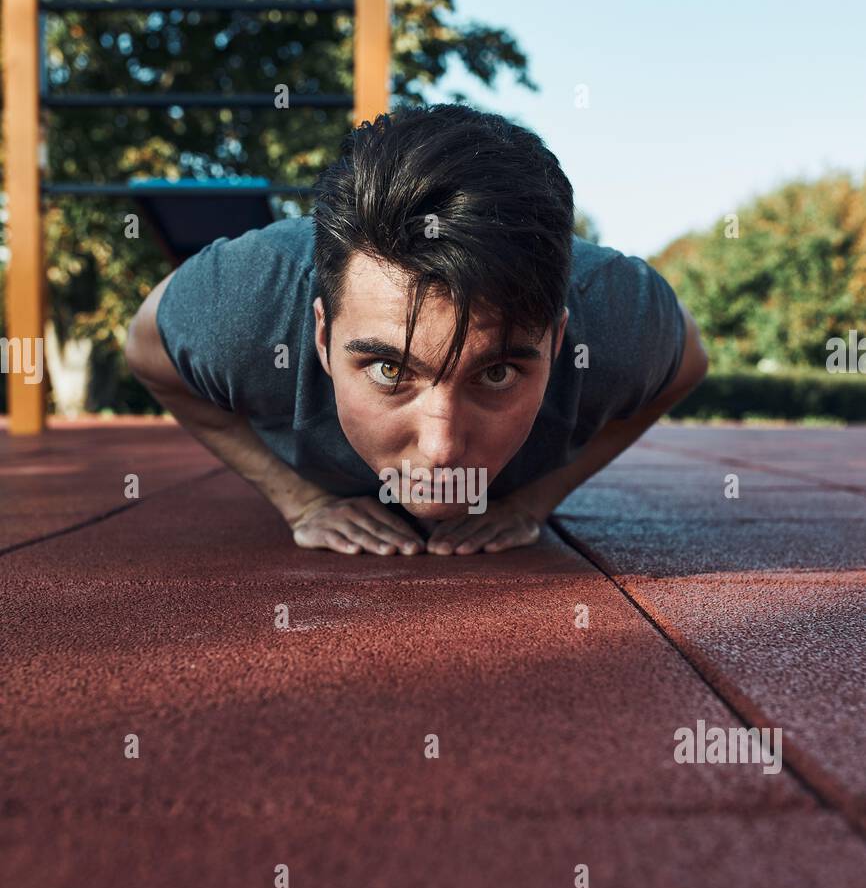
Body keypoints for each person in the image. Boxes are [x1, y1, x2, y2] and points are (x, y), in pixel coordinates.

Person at [125, 104, 708, 556]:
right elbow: (144, 350)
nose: (441, 449)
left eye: (497, 373)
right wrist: (300, 501)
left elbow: (691, 365)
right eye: (389, 370)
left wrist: (534, 501)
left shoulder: (617, 317)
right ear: (322, 335)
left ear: (558, 341)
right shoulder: (245, 306)